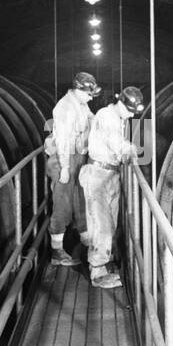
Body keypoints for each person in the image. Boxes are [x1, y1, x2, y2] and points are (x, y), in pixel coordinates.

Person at [79, 85, 144, 289]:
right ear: (121, 102)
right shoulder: (107, 116)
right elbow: (118, 145)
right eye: (130, 111)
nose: (131, 116)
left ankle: (102, 262)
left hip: (110, 174)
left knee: (109, 223)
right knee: (102, 225)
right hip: (98, 175)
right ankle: (97, 272)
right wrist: (130, 149)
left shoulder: (119, 118)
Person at [46, 71, 99, 266]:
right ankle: (57, 252)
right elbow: (62, 141)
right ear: (78, 89)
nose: (91, 98)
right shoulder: (65, 108)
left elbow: (92, 119)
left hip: (77, 157)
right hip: (64, 159)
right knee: (63, 204)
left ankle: (86, 242)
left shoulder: (81, 104)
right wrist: (65, 168)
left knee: (80, 199)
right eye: (89, 93)